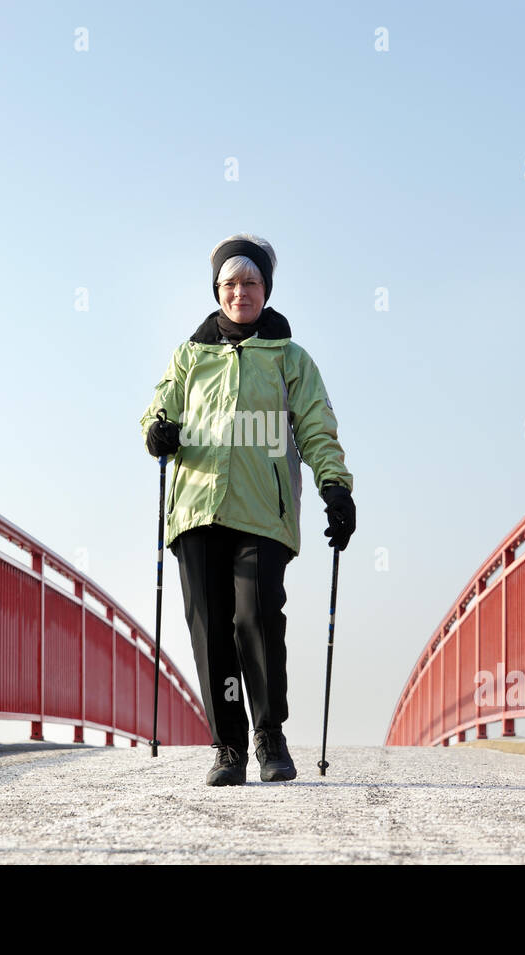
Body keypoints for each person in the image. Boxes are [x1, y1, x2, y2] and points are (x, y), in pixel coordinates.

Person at [139, 233, 356, 786]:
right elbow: (158, 408)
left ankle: (269, 735)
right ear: (217, 290)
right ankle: (228, 746)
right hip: (196, 509)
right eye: (230, 283)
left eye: (250, 282)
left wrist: (334, 486)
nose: (240, 292)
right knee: (210, 627)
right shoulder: (190, 356)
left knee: (256, 618)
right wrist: (157, 432)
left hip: (263, 511)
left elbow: (315, 426)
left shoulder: (290, 357)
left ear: (266, 289)